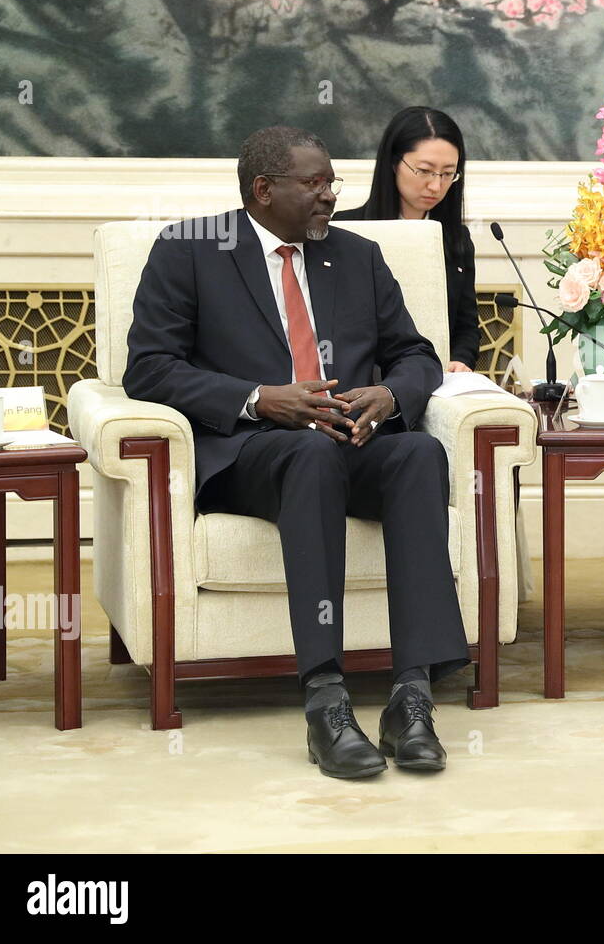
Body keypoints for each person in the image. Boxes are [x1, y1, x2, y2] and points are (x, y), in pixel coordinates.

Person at [123, 125, 469, 780]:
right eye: (312, 184)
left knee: (420, 454)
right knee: (306, 457)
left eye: (331, 181)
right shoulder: (189, 250)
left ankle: (411, 696)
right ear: (262, 190)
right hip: (255, 453)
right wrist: (260, 398)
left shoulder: (357, 256)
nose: (329, 196)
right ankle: (325, 700)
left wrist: (389, 398)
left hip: (353, 441)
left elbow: (416, 353)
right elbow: (149, 368)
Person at [334, 106, 480, 373]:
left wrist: (461, 360)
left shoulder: (456, 238)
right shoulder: (345, 229)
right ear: (393, 162)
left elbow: (467, 327)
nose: (436, 186)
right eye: (424, 171)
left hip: (438, 377)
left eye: (448, 174)